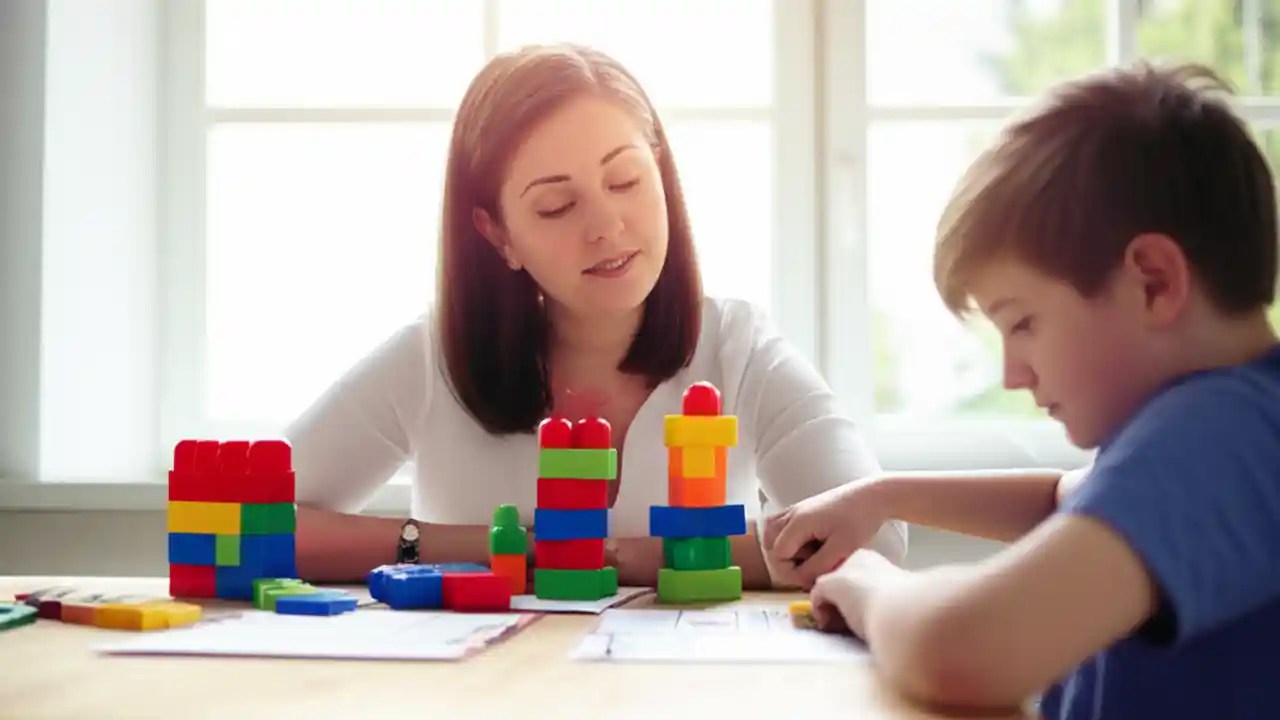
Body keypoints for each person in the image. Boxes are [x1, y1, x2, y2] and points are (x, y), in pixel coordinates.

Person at [283, 43, 906, 588]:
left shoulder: (738, 347)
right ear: (498, 235)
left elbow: (875, 537)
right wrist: (499, 550)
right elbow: (243, 517)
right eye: (556, 206)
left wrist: (630, 559)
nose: (607, 227)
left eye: (627, 181)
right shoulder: (432, 357)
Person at [763, 62, 1280, 717]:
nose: (1013, 373)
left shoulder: (1223, 439)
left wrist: (866, 581)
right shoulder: (1234, 428)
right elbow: (1070, 496)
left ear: (1153, 282)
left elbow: (959, 652)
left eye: (1024, 323)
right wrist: (882, 496)